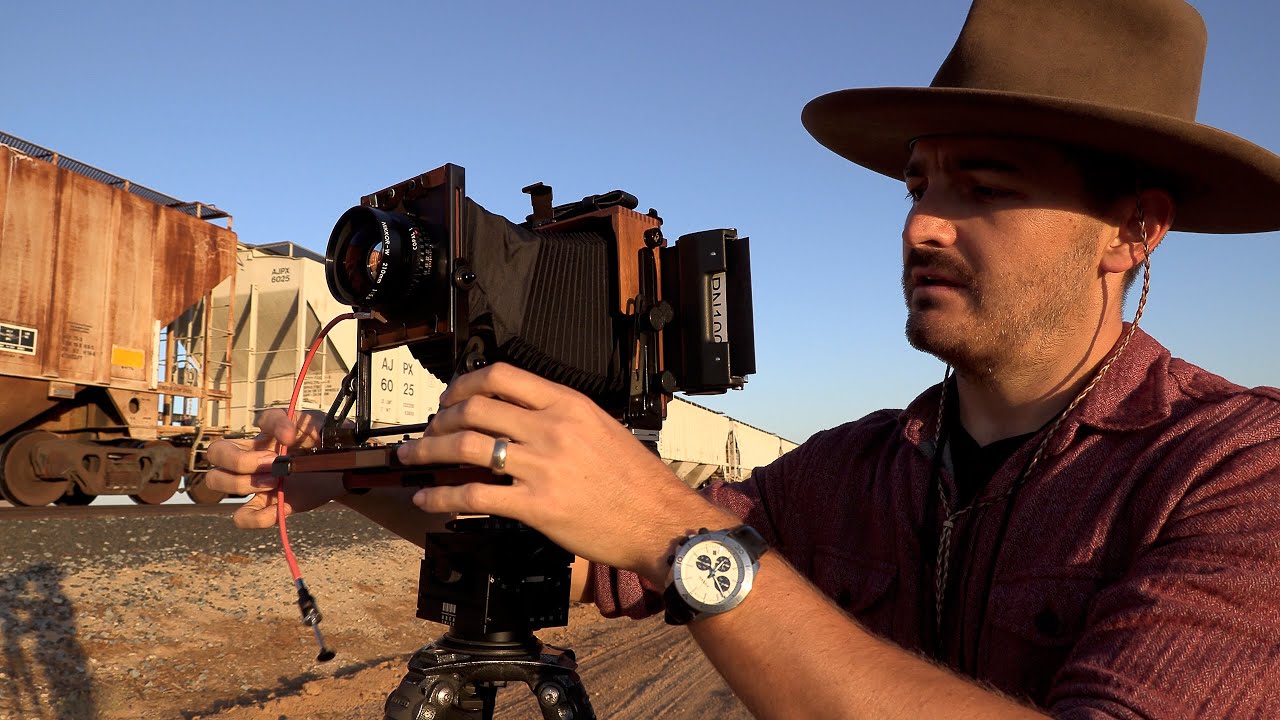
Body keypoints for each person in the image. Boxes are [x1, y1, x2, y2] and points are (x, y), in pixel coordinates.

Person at [207, 0, 1280, 717]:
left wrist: (678, 531)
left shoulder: (1235, 469)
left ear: (1134, 230)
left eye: (983, 187)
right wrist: (333, 474)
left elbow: (667, 545)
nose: (919, 226)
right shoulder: (854, 471)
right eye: (915, 185)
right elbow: (584, 560)